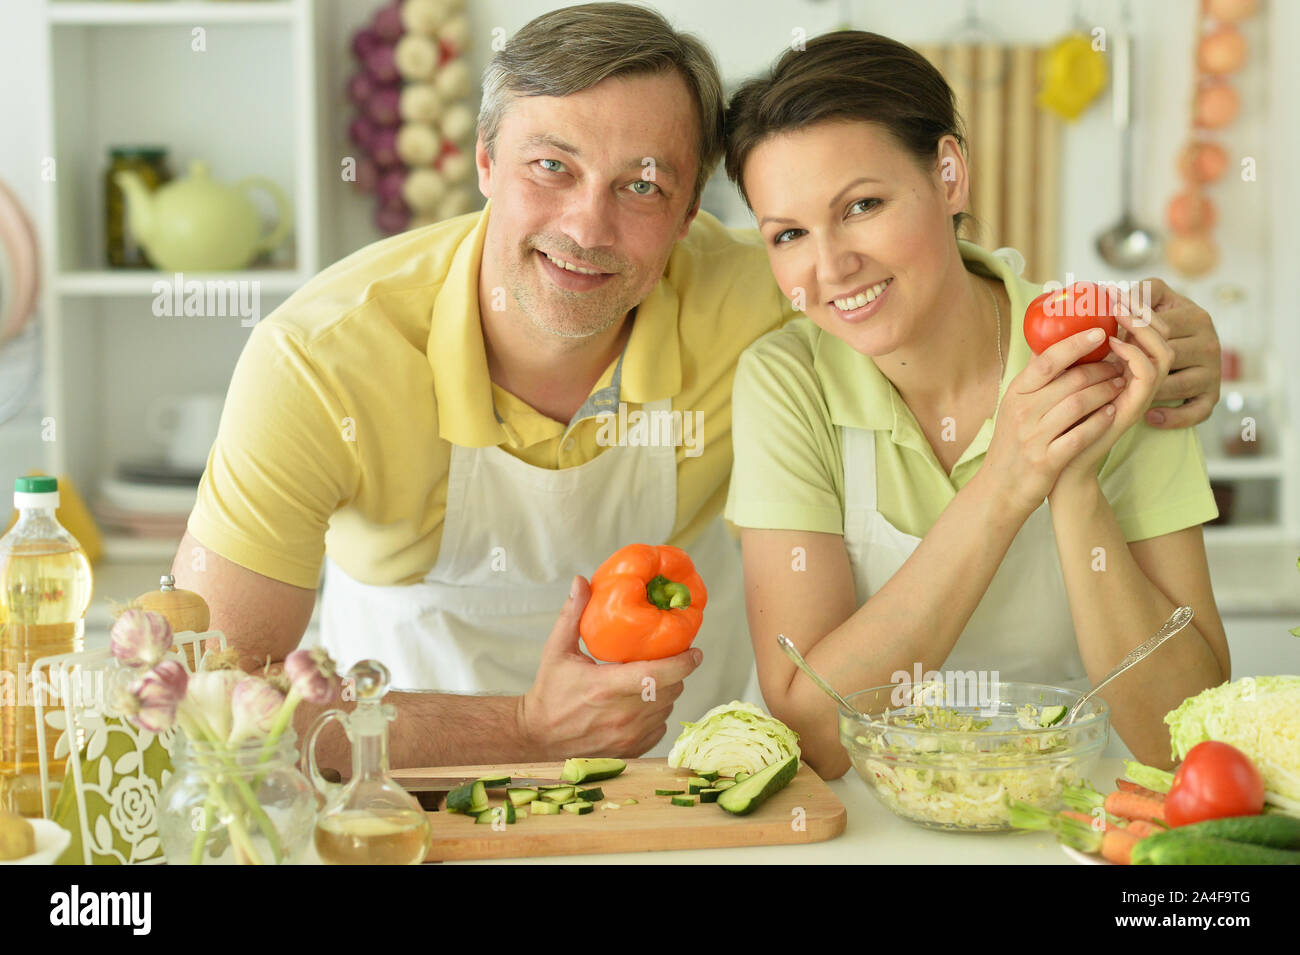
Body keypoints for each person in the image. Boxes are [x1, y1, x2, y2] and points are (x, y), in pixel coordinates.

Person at [171, 6, 1224, 773]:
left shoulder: (766, 301)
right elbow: (200, 699)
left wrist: (1163, 337)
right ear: (484, 160)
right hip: (408, 802)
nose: (589, 226)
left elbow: (919, 283)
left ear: (688, 219)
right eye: (550, 166)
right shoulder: (319, 361)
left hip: (697, 804)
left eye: (643, 185)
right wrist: (522, 730)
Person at [722, 31, 1230, 777]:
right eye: (789, 233)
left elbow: (1189, 740)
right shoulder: (786, 382)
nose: (829, 266)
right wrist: (1005, 482)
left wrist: (1077, 488)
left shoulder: (1106, 353)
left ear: (950, 175)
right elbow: (818, 733)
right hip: (867, 834)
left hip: (1077, 824)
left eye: (862, 205)